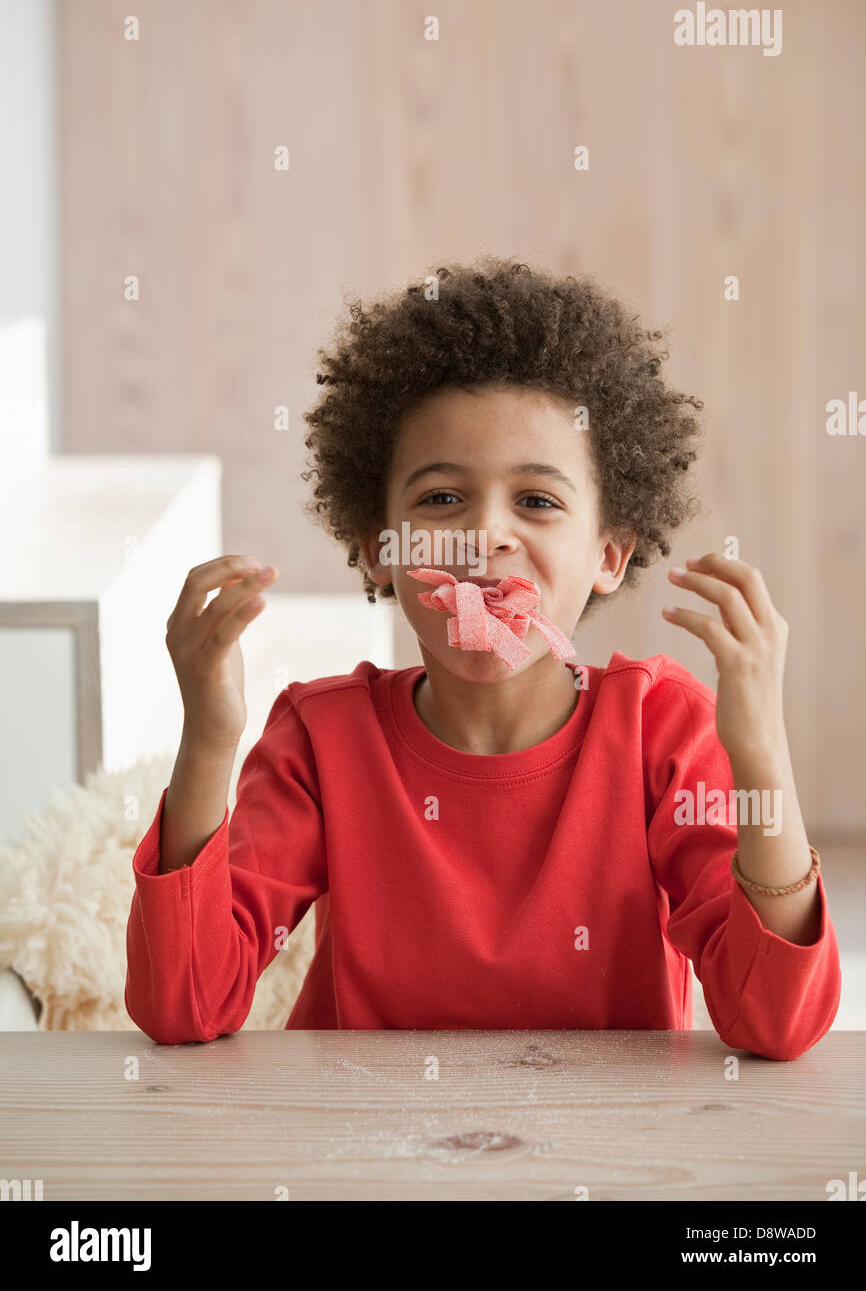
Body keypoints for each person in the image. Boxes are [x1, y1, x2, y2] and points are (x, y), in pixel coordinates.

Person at [124, 256, 840, 1059]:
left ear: (609, 554)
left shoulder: (663, 732)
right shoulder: (319, 739)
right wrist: (210, 740)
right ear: (378, 549)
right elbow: (182, 1006)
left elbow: (778, 1024)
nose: (482, 535)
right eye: (440, 499)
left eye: (536, 501)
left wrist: (763, 758)